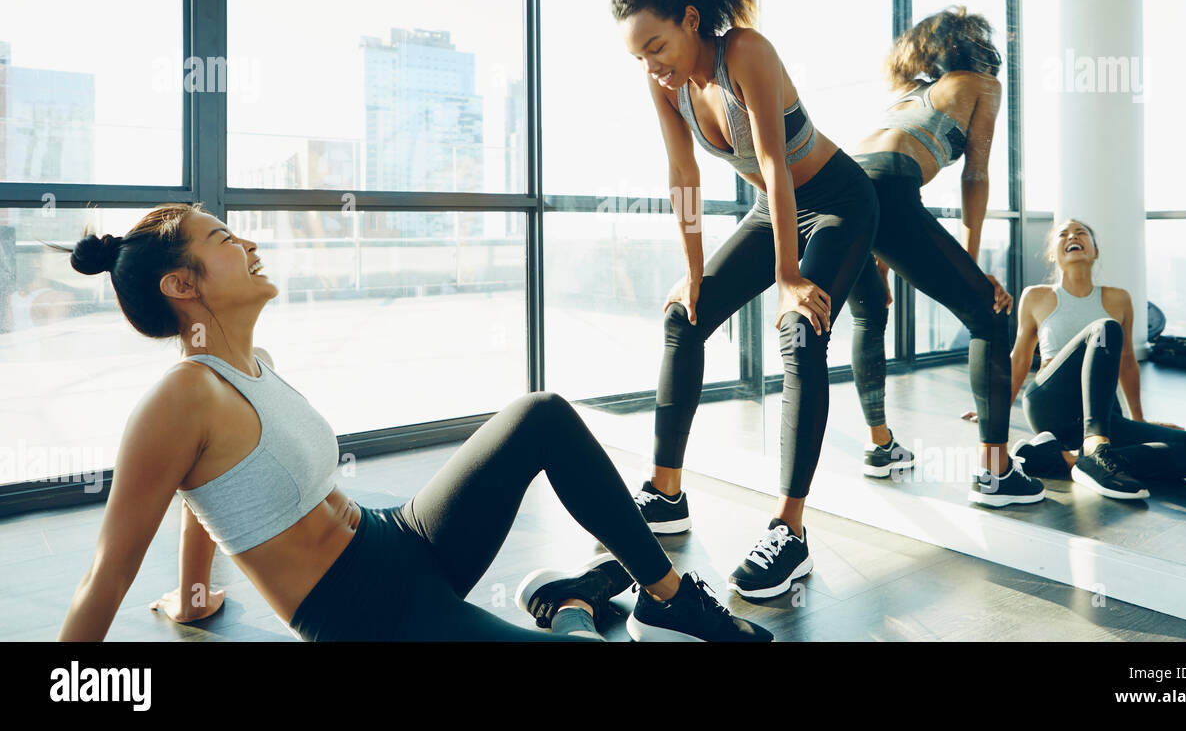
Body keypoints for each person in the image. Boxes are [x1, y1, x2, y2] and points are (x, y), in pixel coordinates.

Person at [49, 204, 771, 641]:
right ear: (181, 286)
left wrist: (196, 597)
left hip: (398, 537)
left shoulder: (251, 362)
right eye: (224, 239)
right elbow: (105, 576)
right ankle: (571, 602)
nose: (248, 244)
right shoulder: (177, 398)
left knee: (541, 415)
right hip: (366, 616)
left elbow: (202, 498)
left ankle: (669, 596)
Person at [610, 0, 879, 598]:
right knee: (683, 319)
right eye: (640, 56)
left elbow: (774, 166)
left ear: (691, 21)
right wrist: (695, 273)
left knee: (800, 331)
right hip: (773, 209)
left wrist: (790, 278)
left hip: (839, 202)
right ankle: (666, 496)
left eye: (656, 47)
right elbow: (683, 177)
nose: (652, 66)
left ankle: (790, 531)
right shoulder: (668, 89)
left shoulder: (747, 53)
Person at [842, 7, 1044, 507]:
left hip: (838, 186)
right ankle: (996, 474)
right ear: (975, 44)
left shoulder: (905, 92)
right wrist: (974, 271)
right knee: (991, 317)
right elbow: (974, 174)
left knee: (870, 315)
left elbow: (874, 175)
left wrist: (880, 258)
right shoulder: (980, 84)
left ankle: (880, 447)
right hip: (887, 185)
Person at [1007, 218, 1186, 498]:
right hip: (1052, 405)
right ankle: (1096, 448)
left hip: (1103, 414)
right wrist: (995, 414)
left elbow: (1126, 362)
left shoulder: (1118, 299)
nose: (1072, 236)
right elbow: (1019, 358)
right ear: (1053, 254)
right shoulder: (1036, 297)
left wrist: (1140, 419)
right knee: (1105, 329)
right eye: (1063, 234)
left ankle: (1071, 461)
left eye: (1081, 232)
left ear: (1095, 250)